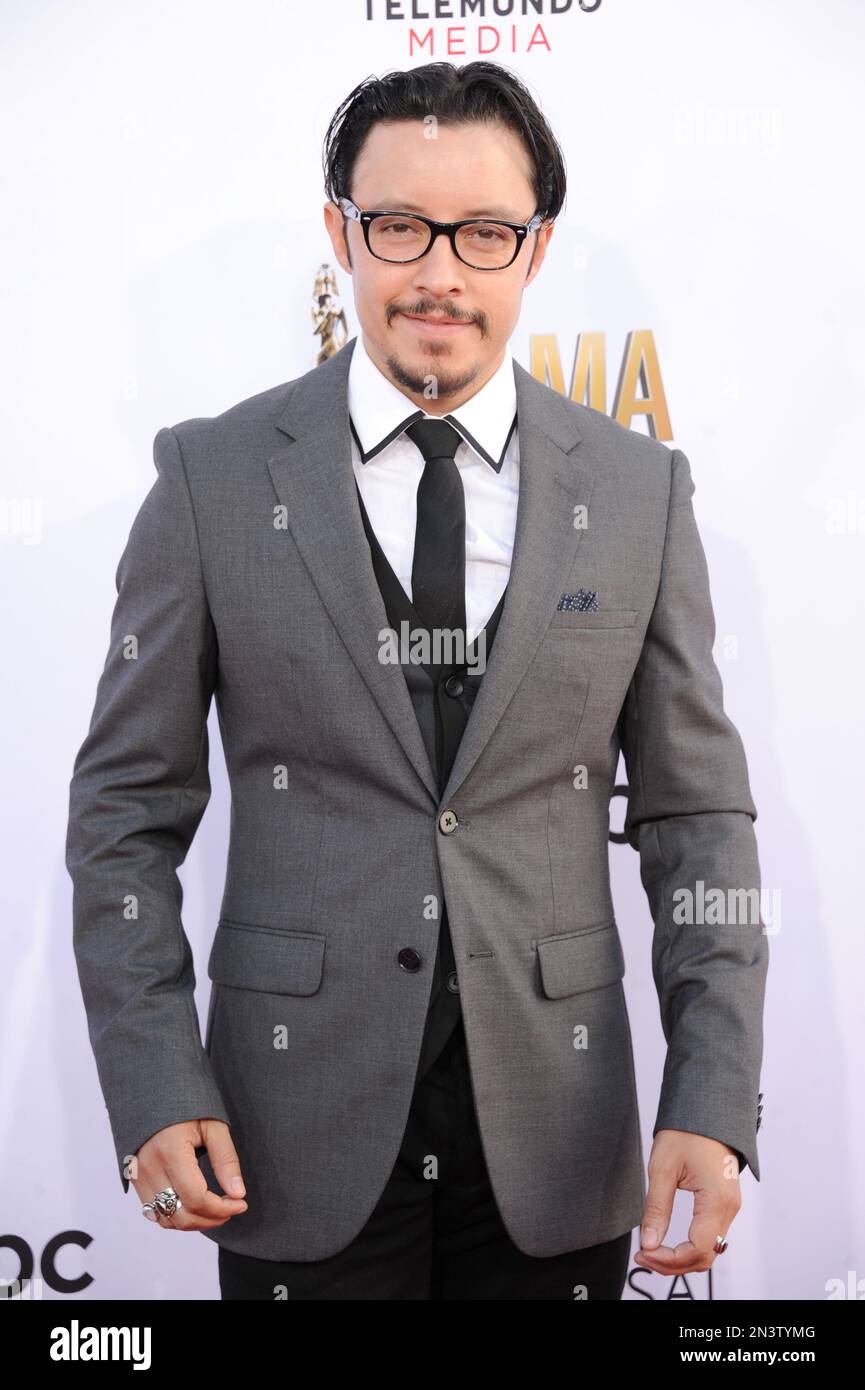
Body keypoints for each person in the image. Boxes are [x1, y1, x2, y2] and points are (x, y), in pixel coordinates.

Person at [65, 60, 768, 1301]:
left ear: (534, 251)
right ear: (341, 230)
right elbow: (124, 815)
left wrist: (711, 1097)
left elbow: (696, 821)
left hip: (553, 1133)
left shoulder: (640, 492)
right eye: (399, 225)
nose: (438, 271)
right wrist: (154, 1080)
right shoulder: (212, 481)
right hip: (289, 1135)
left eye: (484, 232)